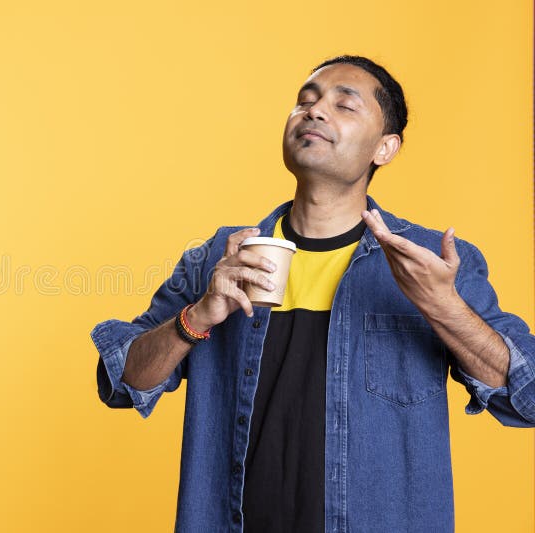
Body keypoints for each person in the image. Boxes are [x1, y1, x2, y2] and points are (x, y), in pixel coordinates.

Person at [90, 55, 535, 532]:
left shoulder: (433, 262)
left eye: (345, 105)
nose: (315, 111)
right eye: (305, 101)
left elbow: (525, 398)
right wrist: (197, 316)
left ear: (384, 148)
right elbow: (122, 382)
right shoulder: (217, 259)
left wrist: (442, 306)